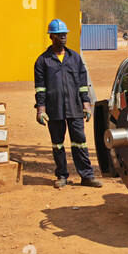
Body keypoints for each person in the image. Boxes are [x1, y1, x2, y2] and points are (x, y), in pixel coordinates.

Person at [34, 18, 102, 188]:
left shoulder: (75, 58)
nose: (63, 37)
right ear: (51, 37)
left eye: (64, 34)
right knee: (57, 144)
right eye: (59, 35)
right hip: (54, 108)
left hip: (75, 107)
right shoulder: (43, 61)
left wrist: (86, 104)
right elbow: (40, 88)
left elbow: (82, 83)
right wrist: (40, 109)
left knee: (80, 141)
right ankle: (62, 176)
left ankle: (87, 176)